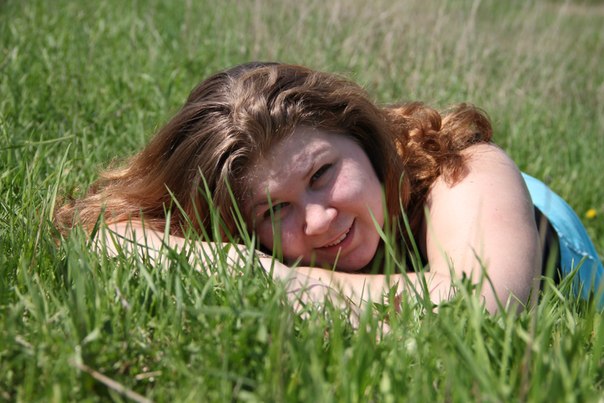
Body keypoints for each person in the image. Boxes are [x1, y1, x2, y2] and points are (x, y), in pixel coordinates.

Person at [55, 62, 604, 313]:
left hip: (516, 220)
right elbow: (108, 234)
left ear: (363, 138)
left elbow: (478, 310)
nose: (317, 220)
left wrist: (262, 279)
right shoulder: (242, 229)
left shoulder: (464, 169)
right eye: (275, 211)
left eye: (321, 174)